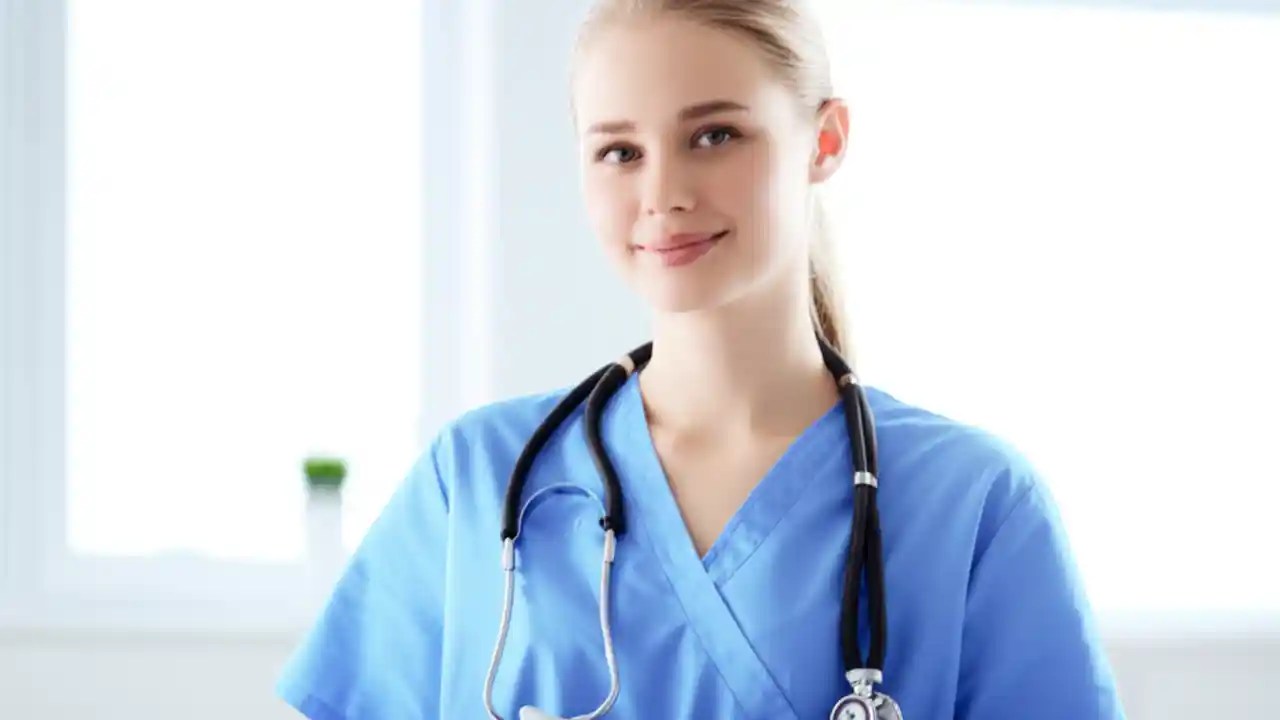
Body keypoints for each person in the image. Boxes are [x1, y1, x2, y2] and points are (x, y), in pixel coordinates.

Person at [274, 1, 1126, 717]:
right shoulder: (477, 477)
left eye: (715, 136)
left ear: (824, 141)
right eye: (620, 151)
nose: (663, 194)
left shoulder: (971, 503)